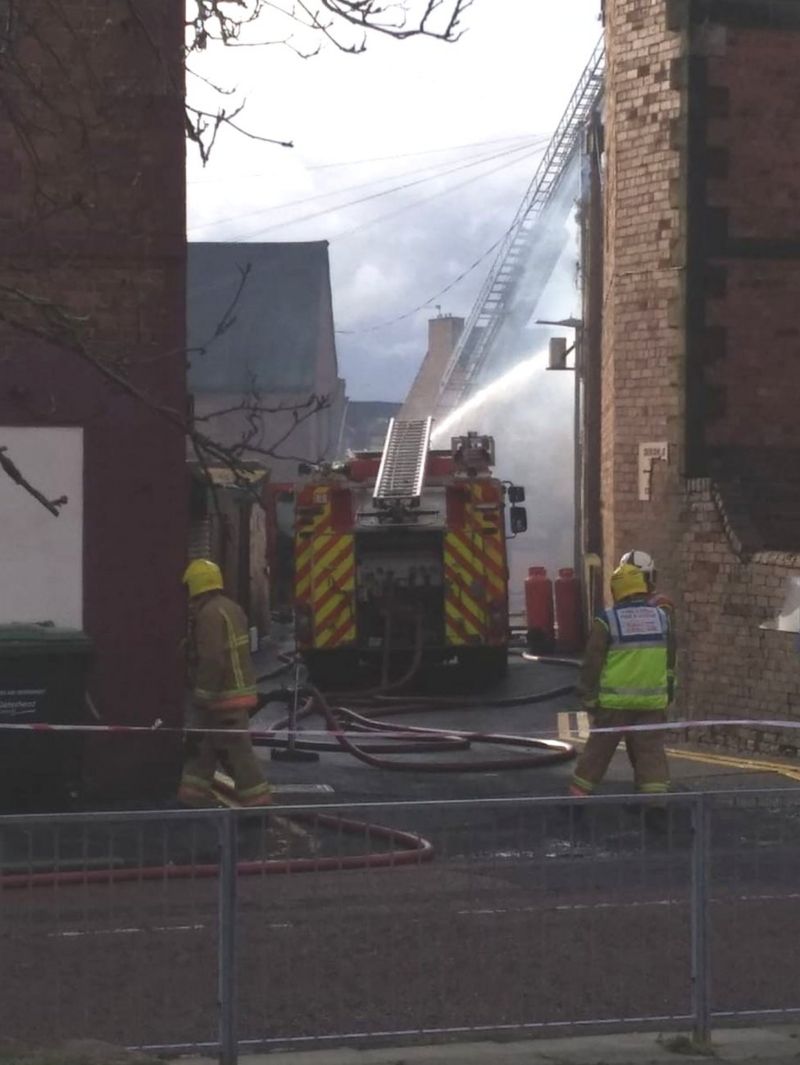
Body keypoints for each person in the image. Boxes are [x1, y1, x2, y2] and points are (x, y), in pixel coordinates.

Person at [569, 562, 675, 799]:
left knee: (598, 752)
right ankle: (655, 806)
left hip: (614, 703)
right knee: (651, 754)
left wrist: (587, 694)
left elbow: (593, 661)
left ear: (617, 590)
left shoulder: (607, 620)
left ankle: (576, 800)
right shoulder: (662, 617)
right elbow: (670, 659)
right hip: (652, 703)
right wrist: (668, 692)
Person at [178, 559, 272, 808]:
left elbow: (212, 659)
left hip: (223, 698)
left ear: (195, 586)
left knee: (238, 754)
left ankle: (258, 805)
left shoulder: (208, 614)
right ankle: (191, 798)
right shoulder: (231, 608)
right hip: (234, 694)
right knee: (204, 749)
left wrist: (202, 695)